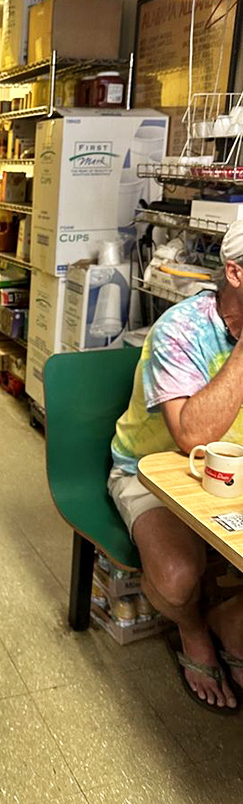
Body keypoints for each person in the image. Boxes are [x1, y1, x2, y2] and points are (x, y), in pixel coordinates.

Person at [110, 220, 243, 711]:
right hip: (155, 471)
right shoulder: (181, 328)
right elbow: (190, 436)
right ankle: (194, 631)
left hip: (234, 478)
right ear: (235, 273)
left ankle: (228, 619)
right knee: (176, 575)